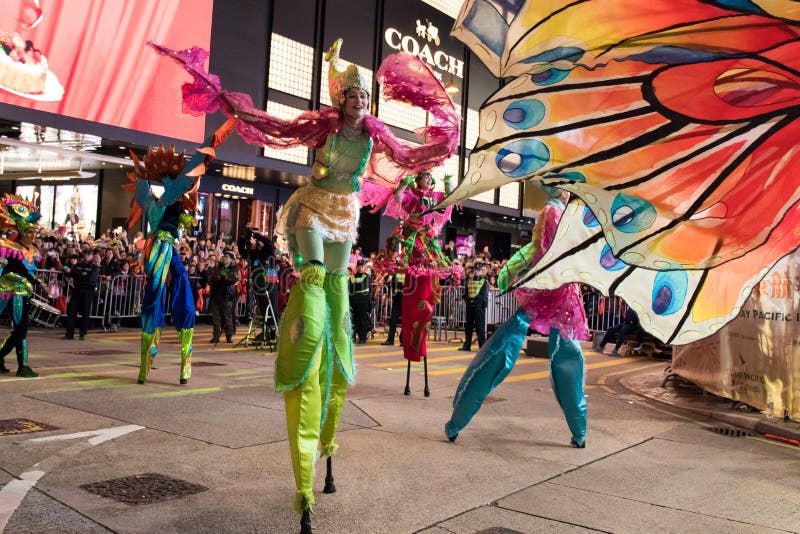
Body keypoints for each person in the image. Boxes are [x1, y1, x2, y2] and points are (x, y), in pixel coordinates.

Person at [154, 37, 458, 532]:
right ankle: (300, 356)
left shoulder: (377, 134)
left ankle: (328, 437)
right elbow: (272, 127)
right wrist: (227, 100)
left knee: (337, 303)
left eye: (364, 99)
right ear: (341, 103)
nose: (359, 104)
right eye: (352, 98)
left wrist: (447, 138)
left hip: (345, 215)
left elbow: (410, 155)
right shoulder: (325, 128)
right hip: (313, 210)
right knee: (314, 285)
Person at [445, 187, 591, 448]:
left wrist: (515, 267)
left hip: (553, 291)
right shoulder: (555, 210)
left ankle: (457, 421)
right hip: (559, 293)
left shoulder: (555, 210)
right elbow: (548, 252)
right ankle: (579, 432)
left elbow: (540, 250)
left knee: (507, 348)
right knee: (565, 359)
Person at [125, 134, 232, 385]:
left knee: (168, 290)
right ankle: (157, 364)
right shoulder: (163, 200)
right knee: (164, 291)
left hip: (164, 248)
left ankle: (167, 364)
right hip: (161, 248)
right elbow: (182, 183)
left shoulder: (158, 199)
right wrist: (208, 147)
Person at [0, 195, 43, 377]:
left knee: (20, 330)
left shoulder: (33, 250)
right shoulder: (11, 247)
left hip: (25, 293)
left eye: (34, 232)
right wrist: (24, 281)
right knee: (21, 330)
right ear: (21, 230)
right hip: (12, 292)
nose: (32, 235)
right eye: (29, 231)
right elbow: (9, 272)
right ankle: (22, 366)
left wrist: (40, 283)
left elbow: (30, 273)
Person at [64, 248, 99, 340]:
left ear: (92, 256)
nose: (87, 256)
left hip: (88, 291)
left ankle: (82, 333)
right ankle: (69, 333)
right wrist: (81, 274)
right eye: (86, 254)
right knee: (72, 312)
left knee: (85, 313)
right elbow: (72, 273)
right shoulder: (78, 265)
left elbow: (91, 279)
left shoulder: (94, 267)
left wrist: (79, 275)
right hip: (77, 290)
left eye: (89, 254)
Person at [207, 251, 240, 343]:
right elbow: (210, 279)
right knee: (216, 317)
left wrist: (222, 278)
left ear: (231, 259)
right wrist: (216, 279)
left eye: (226, 257)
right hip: (216, 295)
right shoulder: (217, 268)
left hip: (227, 296)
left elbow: (233, 280)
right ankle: (216, 336)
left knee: (227, 317)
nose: (224, 258)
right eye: (224, 256)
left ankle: (229, 336)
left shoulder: (234, 269)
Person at [460, 262, 488, 351]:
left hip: (479, 307)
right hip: (470, 306)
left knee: (480, 327)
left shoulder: (484, 282)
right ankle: (467, 346)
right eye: (476, 269)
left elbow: (482, 296)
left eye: (478, 270)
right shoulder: (469, 281)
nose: (476, 272)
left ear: (481, 271)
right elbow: (465, 294)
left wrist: (472, 301)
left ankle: (482, 347)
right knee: (468, 327)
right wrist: (469, 300)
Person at [349, 259, 372, 344]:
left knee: (362, 319)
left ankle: (362, 337)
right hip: (354, 300)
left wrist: (355, 286)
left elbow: (361, 286)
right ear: (357, 267)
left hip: (363, 300)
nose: (360, 268)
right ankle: (353, 337)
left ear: (364, 267)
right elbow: (350, 287)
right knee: (353, 319)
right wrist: (356, 286)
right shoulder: (352, 276)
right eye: (359, 266)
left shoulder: (366, 276)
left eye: (362, 266)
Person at [381, 272, 404, 345]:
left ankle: (403, 340)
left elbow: (407, 285)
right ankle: (390, 340)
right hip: (397, 298)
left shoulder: (408, 273)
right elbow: (393, 285)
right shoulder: (395, 273)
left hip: (406, 299)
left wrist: (400, 285)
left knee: (405, 321)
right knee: (393, 320)